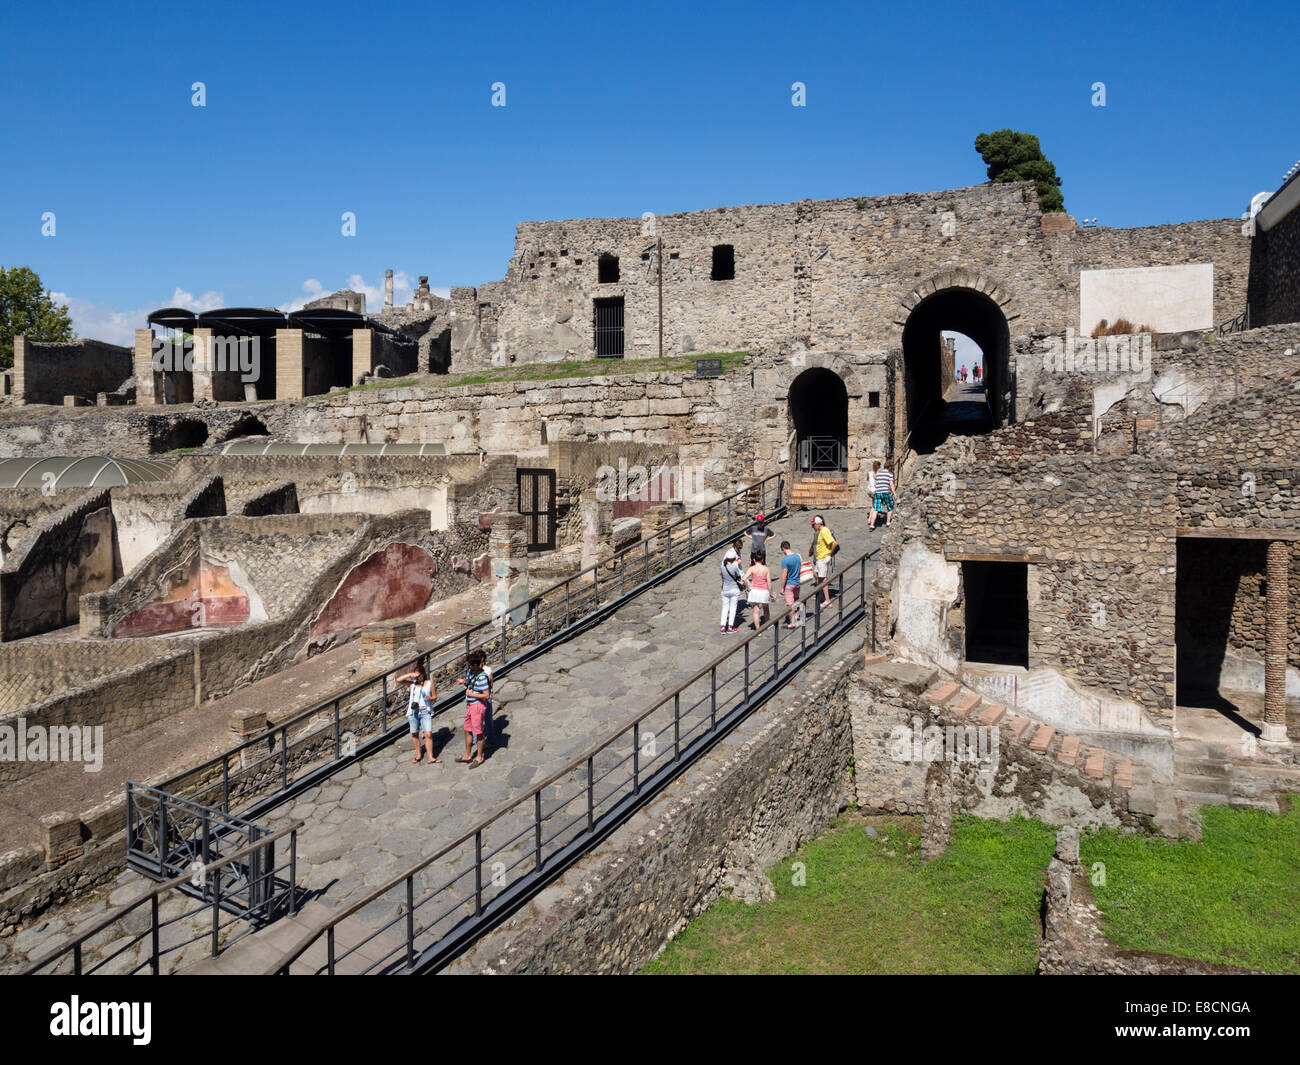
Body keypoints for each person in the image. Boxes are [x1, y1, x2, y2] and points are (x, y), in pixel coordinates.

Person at [395, 663, 439, 764]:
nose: (418, 677)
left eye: (419, 675)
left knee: (428, 734)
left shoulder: (429, 683)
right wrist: (410, 674)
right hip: (413, 712)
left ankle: (430, 756)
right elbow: (398, 680)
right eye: (416, 675)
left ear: (423, 674)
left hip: (425, 711)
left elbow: (435, 697)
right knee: (414, 734)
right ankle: (419, 754)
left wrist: (430, 698)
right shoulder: (412, 683)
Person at [456, 649, 491, 767]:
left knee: (479, 732)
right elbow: (469, 683)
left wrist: (472, 694)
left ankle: (479, 757)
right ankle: (467, 755)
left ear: (476, 664)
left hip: (477, 705)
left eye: (470, 665)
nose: (468, 666)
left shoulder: (482, 677)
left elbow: (486, 695)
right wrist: (463, 682)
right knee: (467, 730)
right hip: (470, 705)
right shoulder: (471, 672)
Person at [809, 515, 838, 610]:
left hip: (823, 558)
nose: (812, 527)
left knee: (823, 579)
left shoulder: (824, 531)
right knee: (816, 574)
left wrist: (830, 554)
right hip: (819, 558)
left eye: (813, 525)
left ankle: (827, 601)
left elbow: (834, 543)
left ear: (818, 524)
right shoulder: (820, 531)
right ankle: (821, 596)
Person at [719, 537, 746, 634]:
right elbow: (738, 577)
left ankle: (722, 627)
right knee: (733, 608)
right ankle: (730, 627)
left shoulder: (722, 567)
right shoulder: (734, 567)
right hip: (734, 589)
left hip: (725, 589)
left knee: (725, 607)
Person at [779, 541, 803, 628]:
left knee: (790, 604)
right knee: (796, 600)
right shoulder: (797, 556)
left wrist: (782, 588)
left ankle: (792, 623)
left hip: (789, 584)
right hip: (797, 582)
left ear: (783, 549)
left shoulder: (785, 560)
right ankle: (798, 617)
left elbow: (784, 575)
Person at [744, 550, 771, 629]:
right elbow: (769, 582)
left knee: (756, 611)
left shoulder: (751, 568)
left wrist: (749, 588)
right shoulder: (766, 569)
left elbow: (744, 578)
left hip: (754, 591)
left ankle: (758, 630)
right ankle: (767, 624)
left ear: (754, 560)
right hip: (764, 591)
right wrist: (771, 592)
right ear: (762, 560)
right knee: (766, 608)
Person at [873, 461, 896, 527]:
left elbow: (875, 484)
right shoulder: (890, 474)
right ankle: (888, 522)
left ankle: (872, 525)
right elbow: (891, 484)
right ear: (890, 467)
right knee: (890, 506)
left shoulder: (878, 473)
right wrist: (894, 493)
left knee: (876, 509)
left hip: (878, 492)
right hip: (886, 492)